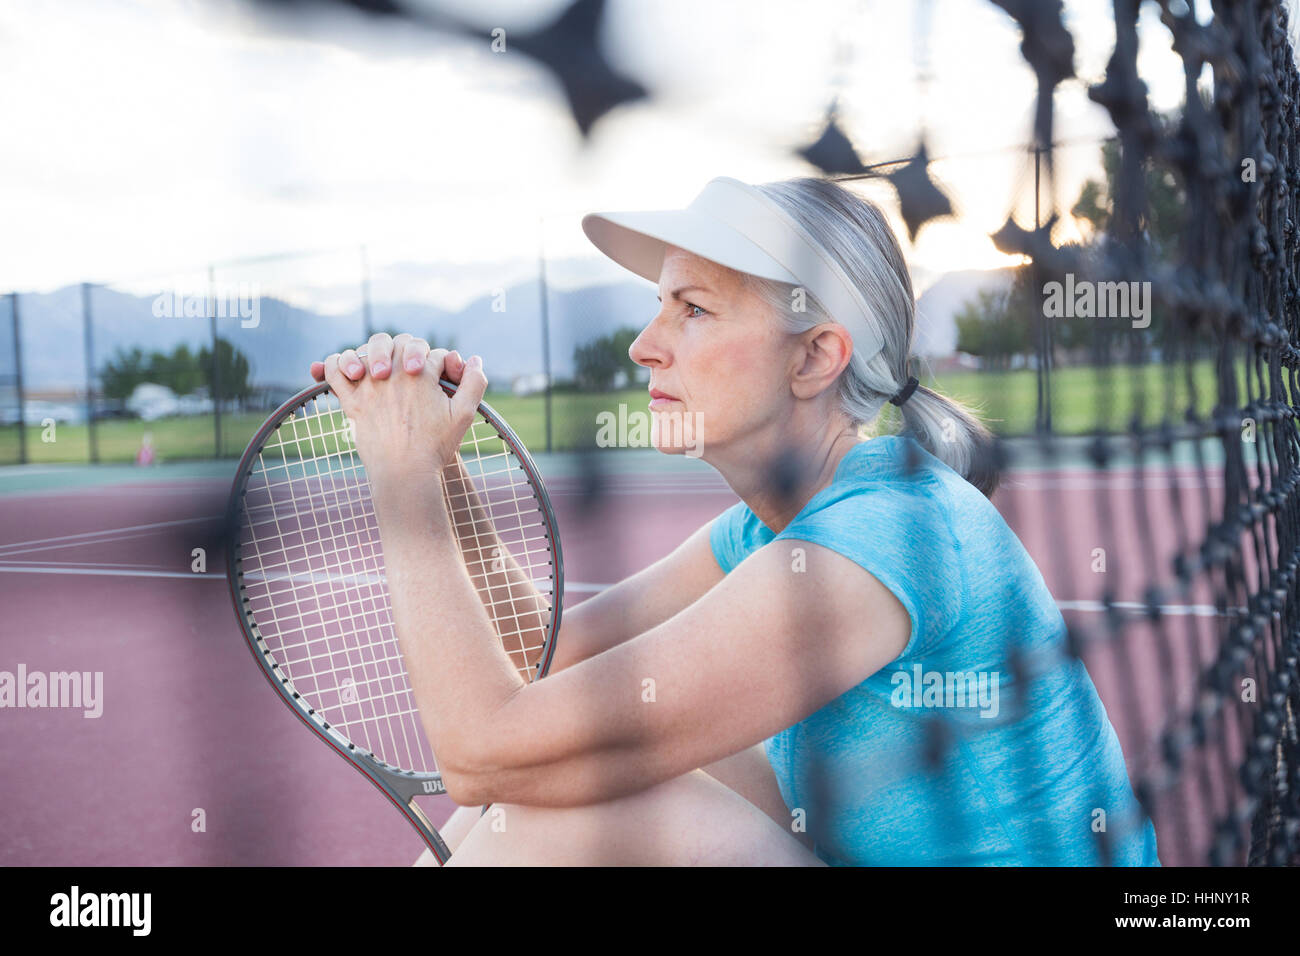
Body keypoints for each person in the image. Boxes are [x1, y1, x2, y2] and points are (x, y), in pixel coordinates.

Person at [309, 175, 1159, 866]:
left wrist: (402, 480)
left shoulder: (883, 537)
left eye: (694, 309)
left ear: (816, 356)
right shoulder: (776, 525)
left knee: (552, 808)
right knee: (548, 782)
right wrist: (446, 471)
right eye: (660, 306)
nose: (645, 344)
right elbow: (546, 660)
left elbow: (480, 750)